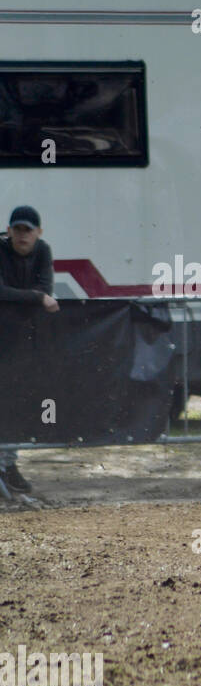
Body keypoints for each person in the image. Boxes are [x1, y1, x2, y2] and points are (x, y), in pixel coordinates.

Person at [0, 205, 56, 494]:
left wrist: (27, 298)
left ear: (38, 233)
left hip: (21, 344)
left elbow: (47, 287)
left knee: (16, 408)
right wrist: (36, 298)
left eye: (28, 230)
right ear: (8, 231)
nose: (22, 235)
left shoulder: (43, 251)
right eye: (17, 229)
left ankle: (7, 466)